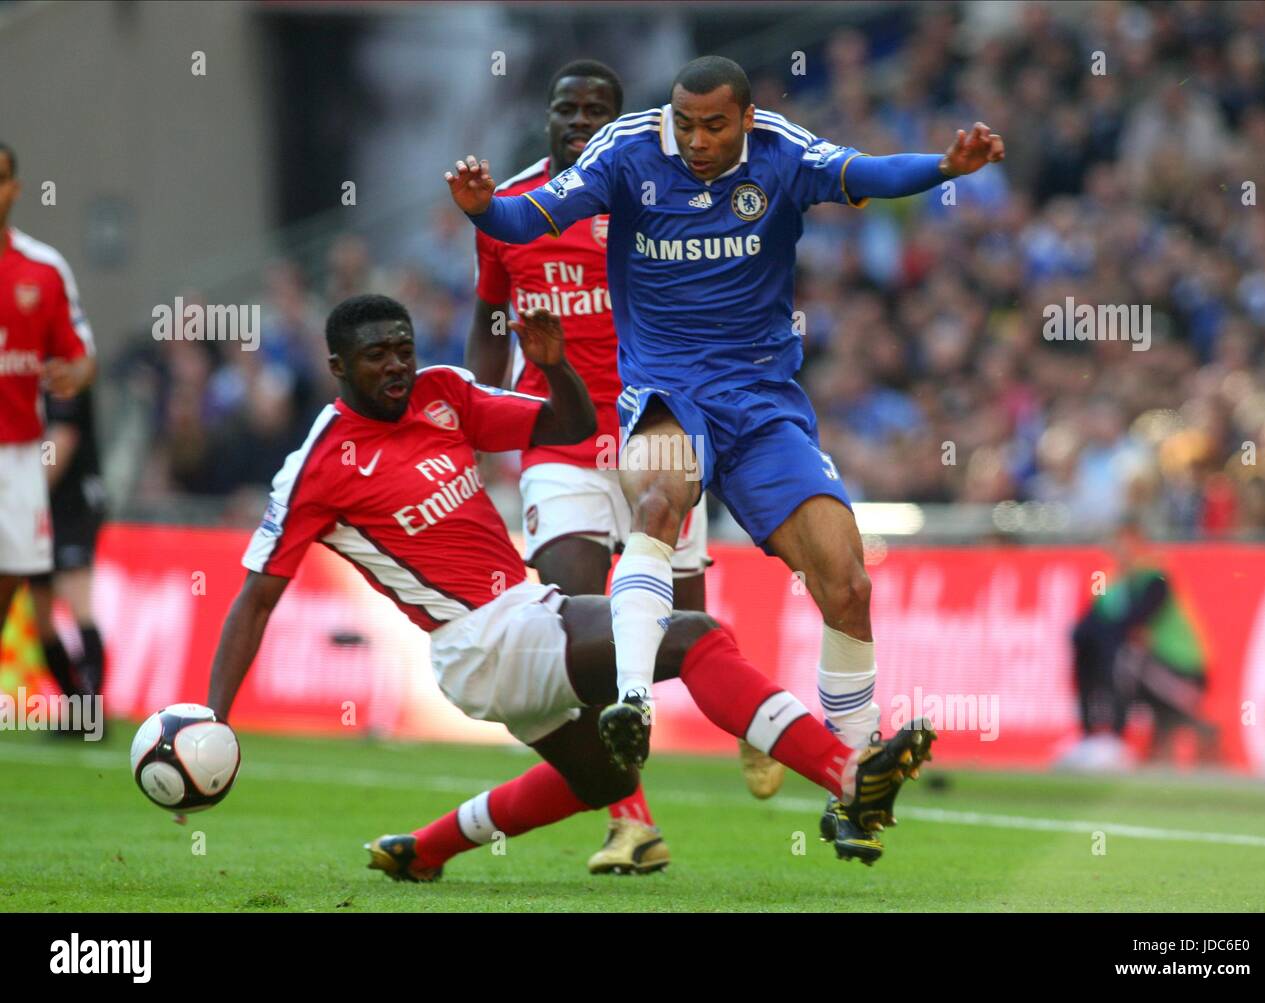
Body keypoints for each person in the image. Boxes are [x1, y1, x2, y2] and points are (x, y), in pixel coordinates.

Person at [445, 55, 998, 856]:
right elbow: (532, 219)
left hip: (764, 405)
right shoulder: (628, 150)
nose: (694, 141)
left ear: (743, 118)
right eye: (684, 123)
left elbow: (865, 173)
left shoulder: (782, 153)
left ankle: (854, 781)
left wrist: (944, 167)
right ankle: (631, 701)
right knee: (661, 499)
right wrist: (484, 210)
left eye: (712, 126)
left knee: (845, 579)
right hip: (666, 391)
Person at [205, 294, 936, 877]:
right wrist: (215, 719)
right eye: (376, 358)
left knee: (600, 777)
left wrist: (554, 366)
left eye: (404, 349)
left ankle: (422, 849)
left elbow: (569, 422)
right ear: (337, 365)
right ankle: (848, 774)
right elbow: (255, 597)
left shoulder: (443, 394)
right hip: (478, 637)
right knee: (698, 637)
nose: (396, 367)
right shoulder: (319, 462)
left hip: (516, 624)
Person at [466, 58, 781, 876]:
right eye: (565, 107)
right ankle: (630, 821)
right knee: (578, 625)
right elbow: (488, 318)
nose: (578, 119)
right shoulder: (513, 210)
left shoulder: (658, 192)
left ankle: (753, 717)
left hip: (660, 431)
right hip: (559, 438)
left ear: (620, 121)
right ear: (546, 115)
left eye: (596, 109)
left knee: (685, 630)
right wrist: (472, 410)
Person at [0, 141, 97, 702]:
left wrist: (76, 375)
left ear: (14, 188)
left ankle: (86, 709)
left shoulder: (42, 268)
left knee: (15, 579)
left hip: (17, 455)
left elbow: (82, 354)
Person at [1065, 522, 1218, 770]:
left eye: (1127, 546)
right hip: (1151, 670)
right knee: (1091, 651)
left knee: (1126, 658)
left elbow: (1133, 621)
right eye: (1116, 546)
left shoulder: (1155, 579)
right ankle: (1093, 737)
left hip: (1181, 670)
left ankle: (1115, 739)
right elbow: (1086, 631)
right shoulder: (1114, 587)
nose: (1121, 553)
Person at [28, 386, 109, 728]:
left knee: (79, 603)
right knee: (43, 617)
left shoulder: (63, 371)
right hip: (36, 511)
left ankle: (91, 713)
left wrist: (21, 491)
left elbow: (62, 440)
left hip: (71, 506)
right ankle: (75, 707)